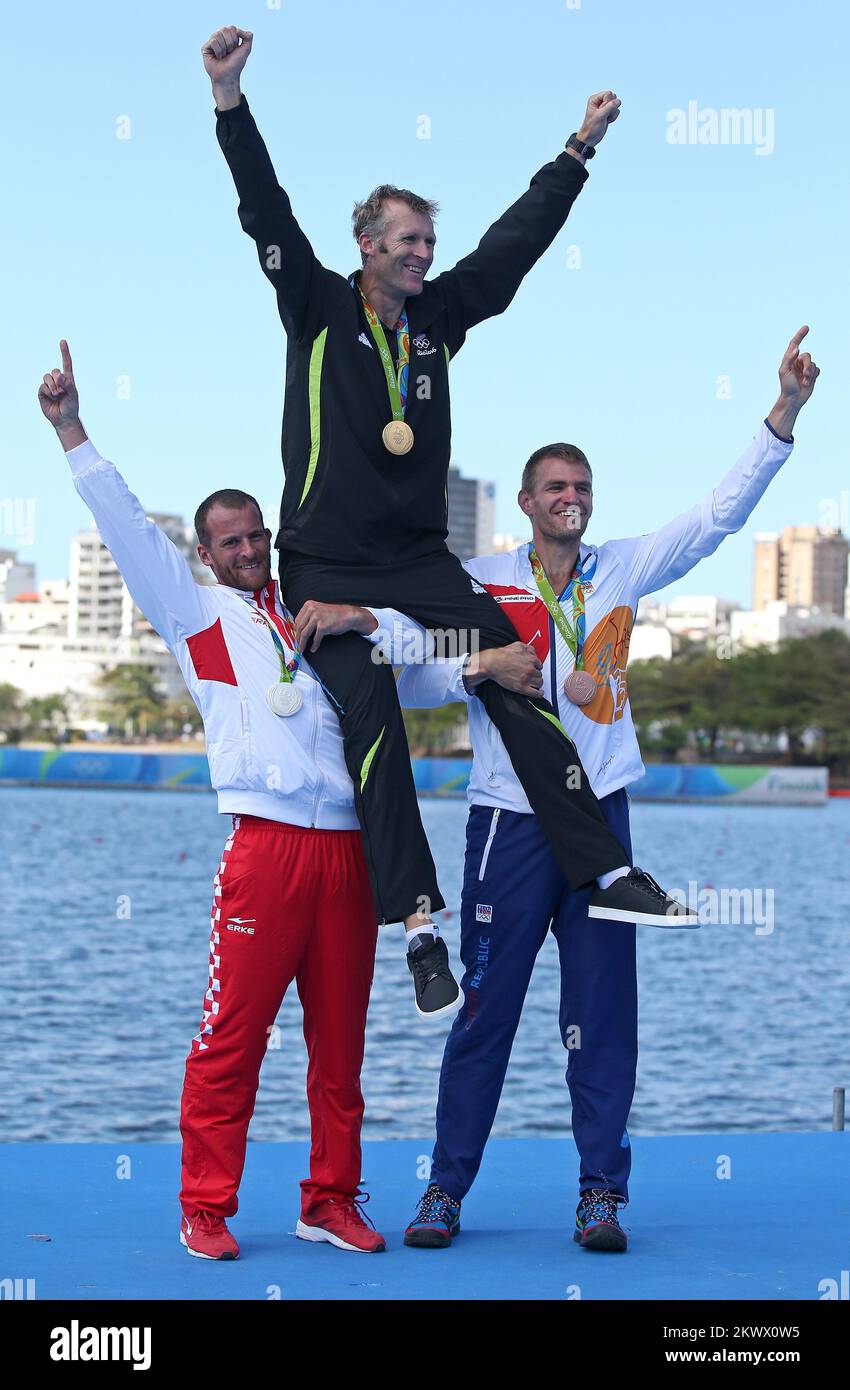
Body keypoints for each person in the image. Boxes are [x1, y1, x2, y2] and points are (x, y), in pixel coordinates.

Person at [201, 27, 695, 1010]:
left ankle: (605, 871)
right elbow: (264, 203)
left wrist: (578, 150)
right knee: (366, 700)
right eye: (408, 241)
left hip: (419, 559)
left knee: (517, 658)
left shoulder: (437, 322)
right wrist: (229, 96)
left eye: (429, 241)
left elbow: (515, 245)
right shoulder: (311, 303)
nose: (425, 254)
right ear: (366, 246)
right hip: (328, 566)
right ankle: (419, 925)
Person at [396, 327, 820, 1252]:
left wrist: (780, 415)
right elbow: (413, 680)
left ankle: (600, 1195)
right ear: (525, 502)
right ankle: (444, 1190)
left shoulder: (621, 569)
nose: (572, 500)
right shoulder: (479, 583)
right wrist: (482, 667)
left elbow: (715, 519)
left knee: (602, 1016)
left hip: (603, 822)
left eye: (582, 488)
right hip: (508, 823)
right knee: (487, 1013)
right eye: (556, 488)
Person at [37, 340, 434, 1259]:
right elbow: (129, 526)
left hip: (348, 854)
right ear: (205, 556)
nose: (249, 549)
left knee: (341, 1054)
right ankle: (205, 1207)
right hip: (264, 852)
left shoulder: (321, 614)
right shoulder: (196, 614)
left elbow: (411, 662)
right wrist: (71, 431)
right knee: (233, 1040)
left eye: (257, 534)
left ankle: (329, 1199)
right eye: (231, 542)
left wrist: (467, 657)